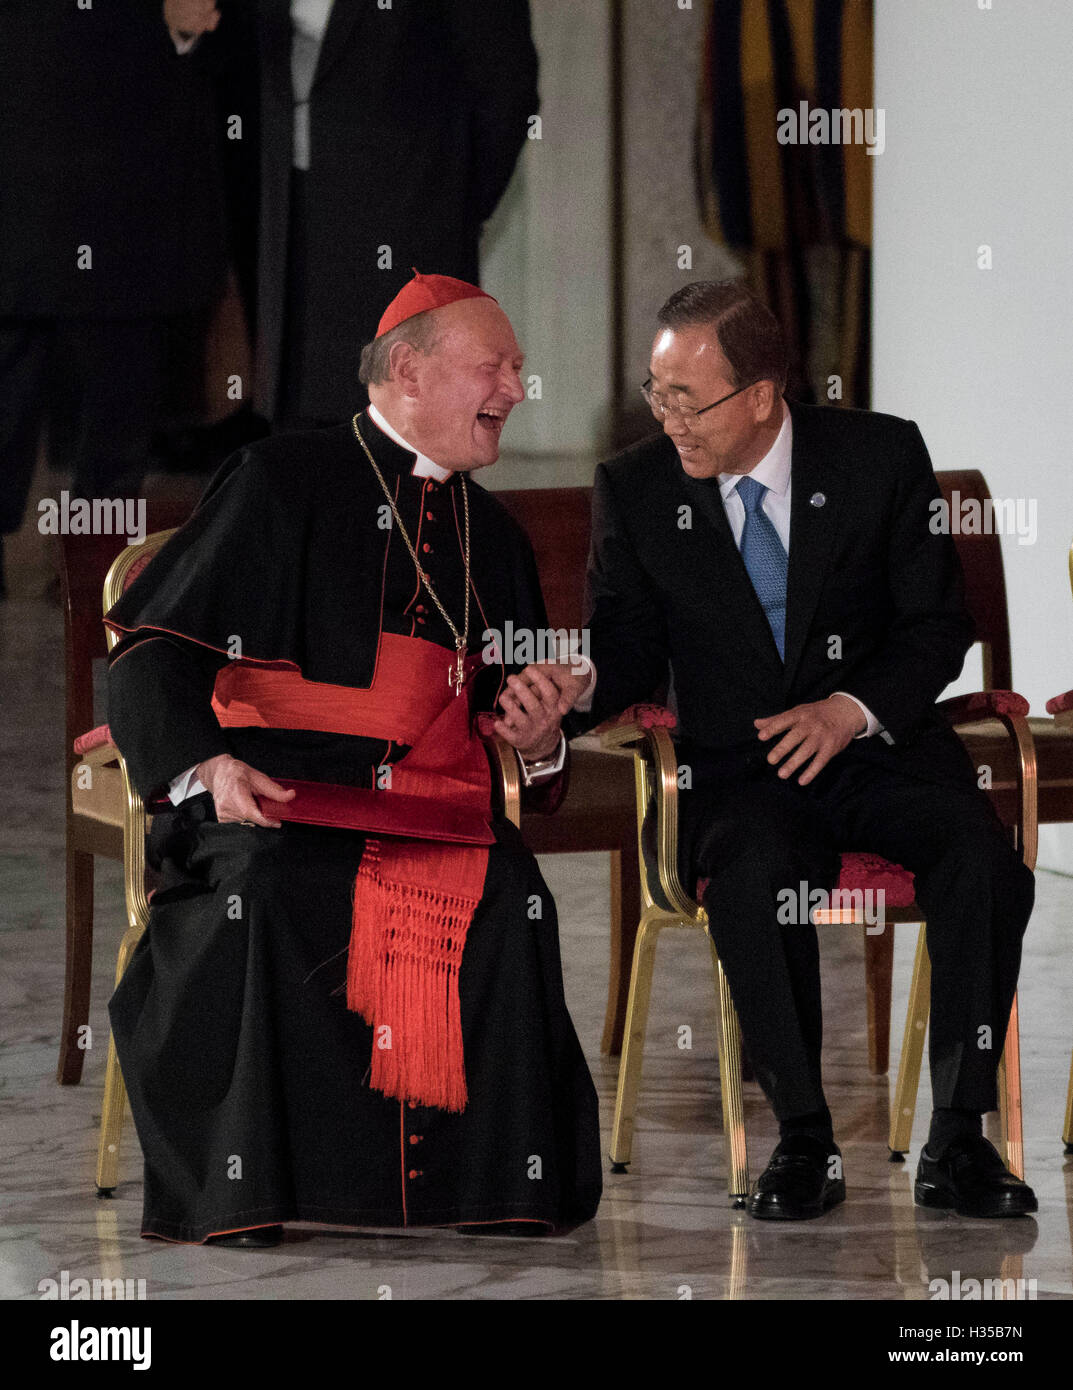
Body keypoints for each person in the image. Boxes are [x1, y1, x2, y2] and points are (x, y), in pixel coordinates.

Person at [103, 271, 601, 1245]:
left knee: (514, 892)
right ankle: (251, 1186)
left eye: (518, 368)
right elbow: (149, 655)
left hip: (435, 812)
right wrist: (208, 767)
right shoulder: (279, 478)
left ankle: (493, 1185)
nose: (514, 386)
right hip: (274, 804)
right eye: (491, 367)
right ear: (407, 372)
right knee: (272, 889)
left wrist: (541, 740)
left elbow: (515, 724)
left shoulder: (489, 535)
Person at [576, 279, 1036, 1221]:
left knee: (983, 862)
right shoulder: (637, 483)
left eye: (684, 398)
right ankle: (803, 1141)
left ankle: (957, 1139)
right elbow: (624, 643)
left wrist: (848, 707)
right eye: (655, 392)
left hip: (878, 748)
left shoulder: (878, 455)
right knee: (751, 876)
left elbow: (934, 625)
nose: (665, 419)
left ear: (760, 394)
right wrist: (576, 685)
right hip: (741, 770)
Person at [163, 0, 539, 430]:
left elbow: (508, 90)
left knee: (408, 438)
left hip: (409, 228)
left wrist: (452, 206)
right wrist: (185, 30)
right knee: (302, 445)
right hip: (289, 225)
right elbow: (231, 54)